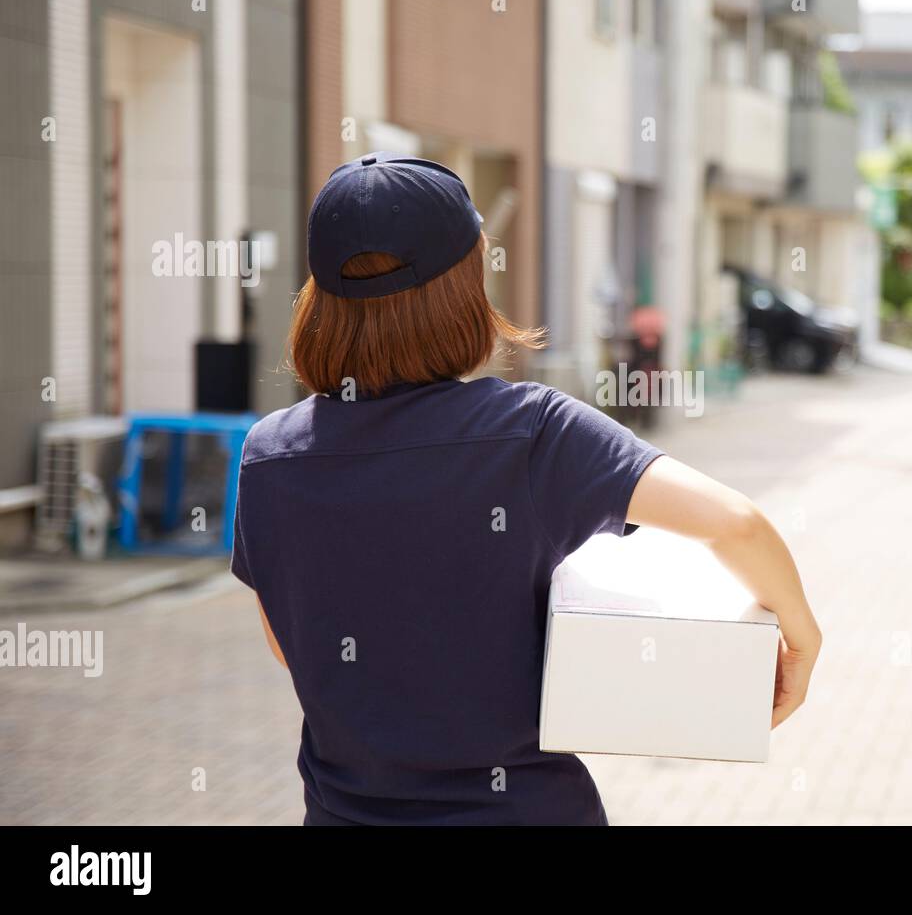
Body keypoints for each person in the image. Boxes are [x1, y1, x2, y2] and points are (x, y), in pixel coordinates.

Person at [230, 152, 820, 825]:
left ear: (321, 301)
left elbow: (290, 645)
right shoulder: (530, 431)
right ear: (462, 290)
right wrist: (801, 639)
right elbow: (734, 524)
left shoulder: (268, 456)